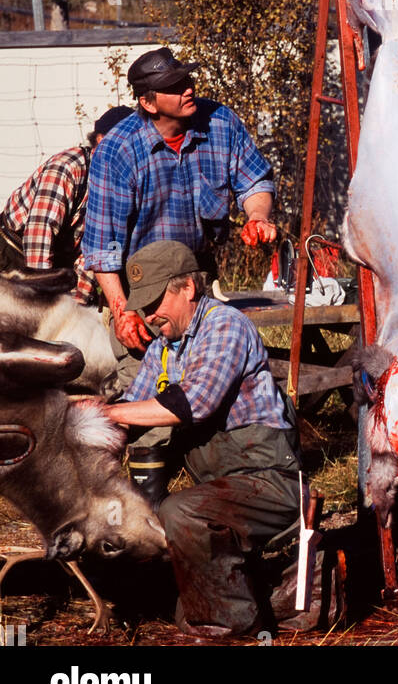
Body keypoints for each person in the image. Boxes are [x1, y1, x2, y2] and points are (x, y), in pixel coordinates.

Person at [82, 46, 278, 500]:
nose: (188, 89)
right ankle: (141, 504)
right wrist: (121, 309)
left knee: (211, 373)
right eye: (174, 87)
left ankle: (226, 477)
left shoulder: (221, 122)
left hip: (197, 277)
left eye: (187, 80)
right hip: (141, 286)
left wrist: (257, 216)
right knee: (146, 378)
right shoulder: (118, 149)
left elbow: (255, 182)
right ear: (148, 102)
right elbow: (102, 247)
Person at [103, 240, 301, 638]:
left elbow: (193, 402)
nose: (148, 314)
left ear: (188, 289)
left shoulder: (224, 325)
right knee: (179, 600)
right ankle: (265, 594)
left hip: (271, 483)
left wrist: (109, 413)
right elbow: (132, 406)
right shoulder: (164, 346)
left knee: (180, 513)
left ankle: (237, 629)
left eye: (156, 299)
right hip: (222, 491)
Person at [0, 106, 133, 302]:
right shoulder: (68, 167)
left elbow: (93, 253)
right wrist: (44, 301)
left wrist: (78, 305)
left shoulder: (118, 187)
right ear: (101, 140)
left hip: (58, 263)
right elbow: (39, 234)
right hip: (13, 255)